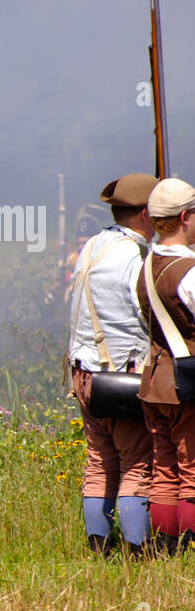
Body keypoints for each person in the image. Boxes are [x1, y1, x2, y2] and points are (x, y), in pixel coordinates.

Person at [67, 172, 158, 555]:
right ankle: (137, 550)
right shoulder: (135, 256)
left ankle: (100, 549)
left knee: (100, 462)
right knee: (137, 463)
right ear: (144, 214)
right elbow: (148, 314)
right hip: (121, 374)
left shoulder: (93, 246)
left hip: (84, 372)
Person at [135, 178, 195, 554]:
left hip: (155, 380)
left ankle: (167, 548)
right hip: (186, 382)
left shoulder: (143, 265)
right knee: (192, 472)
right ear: (186, 216)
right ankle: (189, 552)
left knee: (165, 470)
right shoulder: (189, 270)